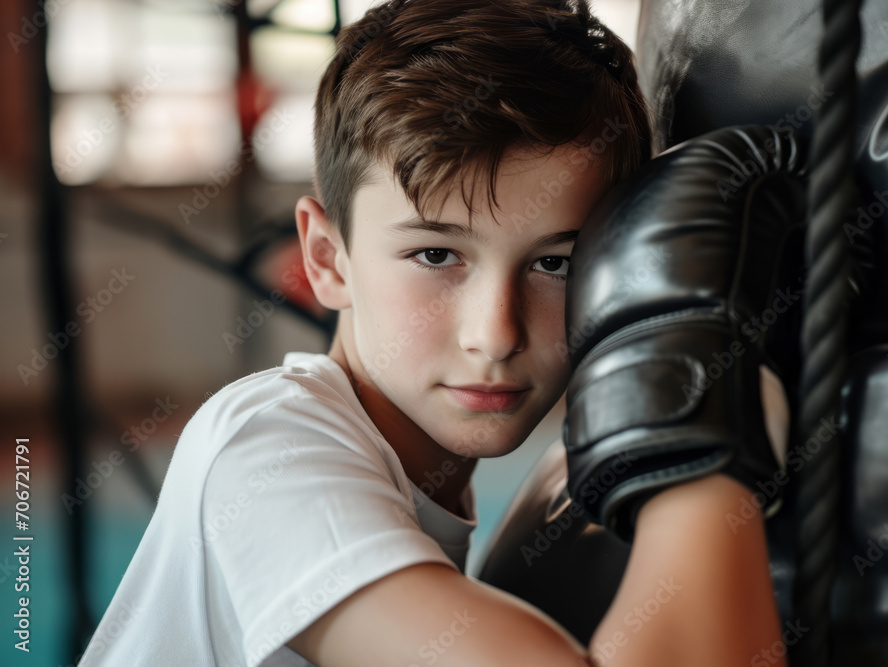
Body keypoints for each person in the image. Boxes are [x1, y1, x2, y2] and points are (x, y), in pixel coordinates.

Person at [78, 1, 785, 665]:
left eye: (554, 263)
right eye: (436, 255)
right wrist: (703, 398)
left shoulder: (434, 487)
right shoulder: (266, 448)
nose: (494, 333)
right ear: (326, 258)